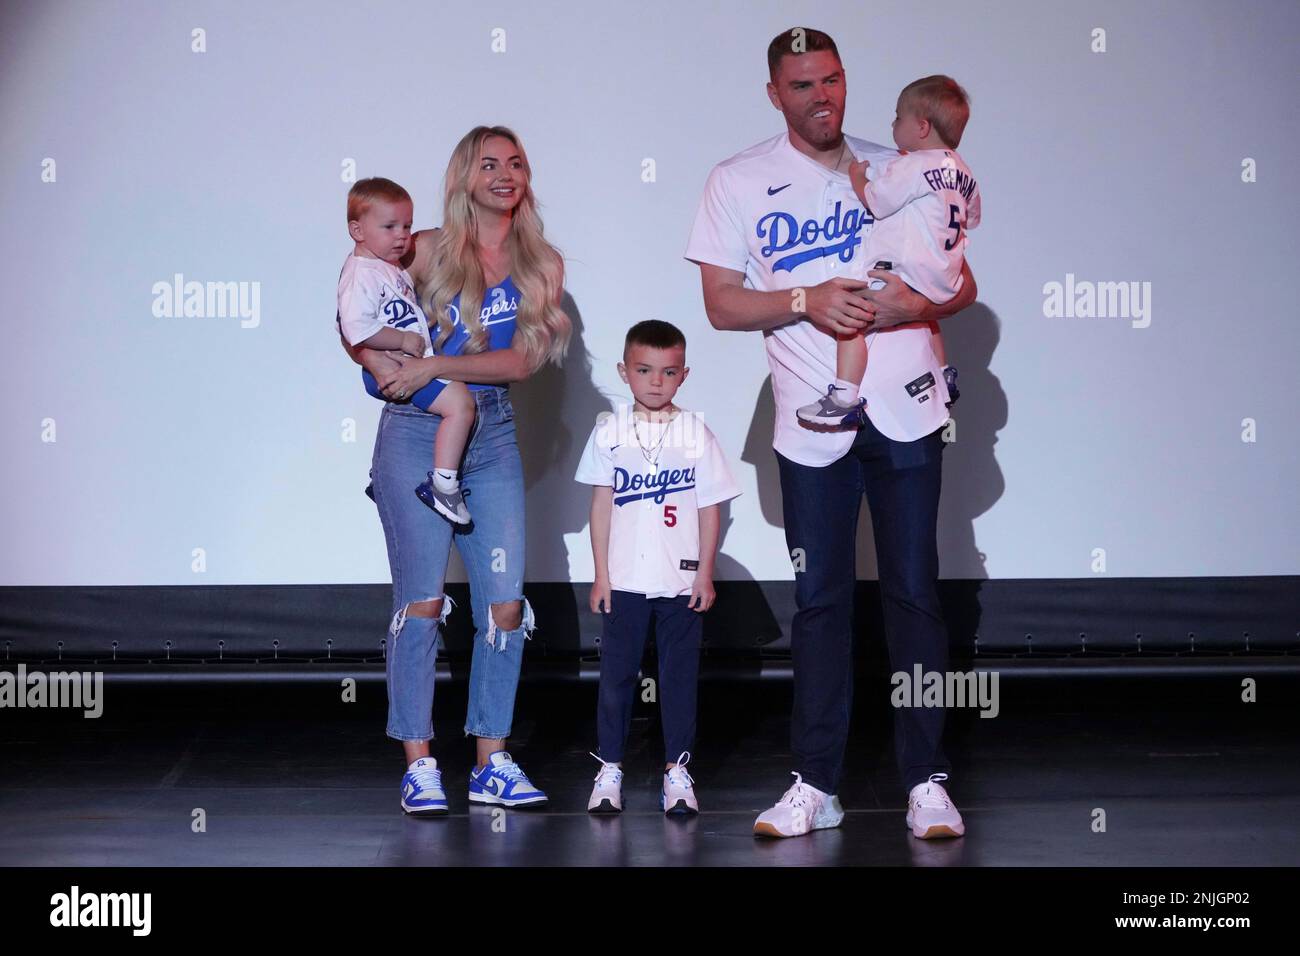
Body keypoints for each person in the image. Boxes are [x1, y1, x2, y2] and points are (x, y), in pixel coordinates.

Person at [684, 27, 977, 839]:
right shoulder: (737, 180)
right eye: (804, 84)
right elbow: (720, 304)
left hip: (909, 411)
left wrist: (908, 306)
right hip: (815, 423)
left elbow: (961, 279)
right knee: (819, 603)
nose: (824, 97)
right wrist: (807, 300)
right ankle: (816, 782)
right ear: (775, 93)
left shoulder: (901, 166)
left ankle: (928, 779)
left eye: (834, 80)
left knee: (916, 594)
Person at [340, 126, 571, 815]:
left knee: (503, 605)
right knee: (423, 603)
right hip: (416, 429)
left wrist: (437, 364)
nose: (505, 174)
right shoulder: (427, 246)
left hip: (490, 431)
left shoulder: (544, 262)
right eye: (488, 164)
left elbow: (521, 363)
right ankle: (419, 762)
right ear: (465, 177)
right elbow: (356, 316)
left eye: (516, 163)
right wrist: (382, 368)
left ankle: (490, 761)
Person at [575, 320, 741, 815]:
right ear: (625, 372)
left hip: (679, 580)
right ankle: (610, 769)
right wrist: (601, 573)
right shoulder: (609, 431)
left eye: (668, 372)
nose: (655, 381)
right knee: (617, 677)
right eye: (644, 370)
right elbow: (601, 505)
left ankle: (678, 771)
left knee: (678, 677)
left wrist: (704, 573)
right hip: (624, 578)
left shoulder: (694, 433)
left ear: (683, 375)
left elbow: (712, 507)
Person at [796, 75, 981, 427]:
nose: (893, 125)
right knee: (928, 318)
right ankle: (944, 374)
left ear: (922, 127)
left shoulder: (913, 164)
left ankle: (844, 396)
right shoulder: (964, 171)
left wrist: (858, 178)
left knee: (852, 316)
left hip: (906, 267)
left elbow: (878, 202)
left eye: (898, 118)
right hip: (945, 273)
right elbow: (973, 217)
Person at [336, 177, 474, 523]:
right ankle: (443, 484)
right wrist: (401, 342)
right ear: (357, 230)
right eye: (390, 226)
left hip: (406, 362)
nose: (402, 235)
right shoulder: (360, 275)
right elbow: (356, 328)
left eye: (407, 225)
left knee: (446, 407)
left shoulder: (386, 266)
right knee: (460, 405)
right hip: (393, 364)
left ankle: (381, 477)